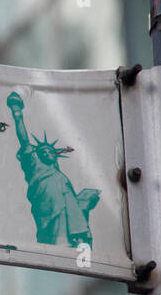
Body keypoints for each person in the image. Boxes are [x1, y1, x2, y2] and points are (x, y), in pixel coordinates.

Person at [6, 91, 100, 248]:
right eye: (42, 152)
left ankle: (73, 244)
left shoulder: (61, 177)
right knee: (53, 236)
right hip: (46, 205)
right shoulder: (34, 166)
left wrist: (84, 201)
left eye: (50, 151)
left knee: (67, 239)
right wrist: (17, 114)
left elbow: (74, 209)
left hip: (66, 212)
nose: (47, 153)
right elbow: (24, 140)